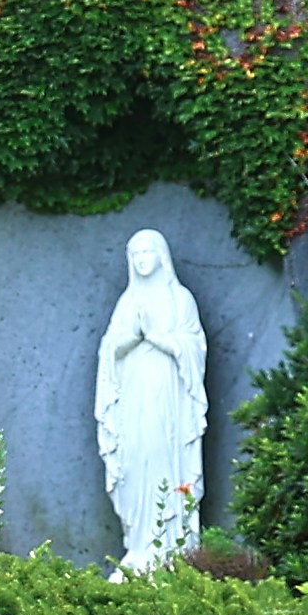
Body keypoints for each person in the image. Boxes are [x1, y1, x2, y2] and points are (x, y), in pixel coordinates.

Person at [96, 228, 211, 572]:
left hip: (168, 400)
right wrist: (131, 338)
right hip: (131, 396)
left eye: (148, 252)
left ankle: (173, 547)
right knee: (133, 463)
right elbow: (109, 349)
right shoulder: (127, 301)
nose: (143, 260)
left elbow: (195, 346)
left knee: (164, 457)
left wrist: (161, 339)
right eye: (136, 254)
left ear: (162, 256)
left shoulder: (180, 299)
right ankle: (139, 545)